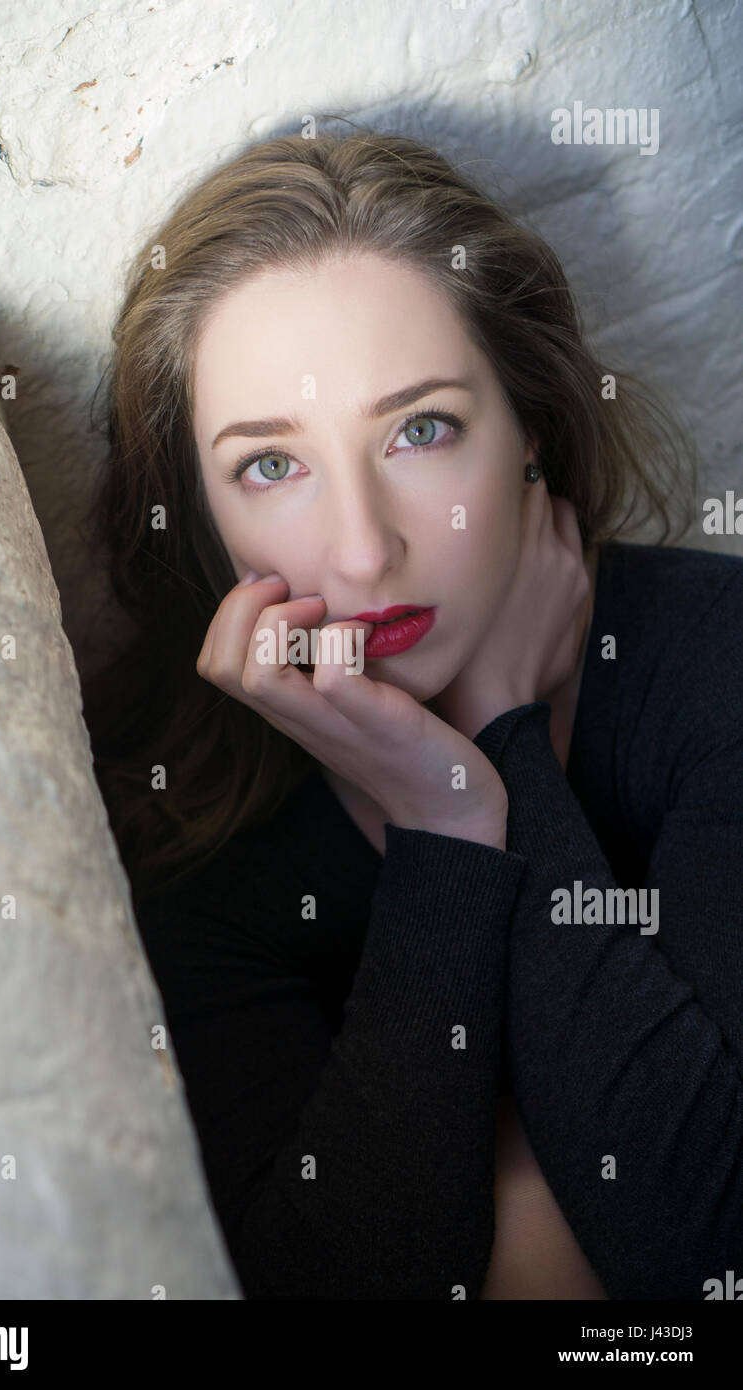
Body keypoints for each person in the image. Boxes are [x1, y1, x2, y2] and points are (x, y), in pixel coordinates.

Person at [80, 129, 743, 1300]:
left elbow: (705, 1248)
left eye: (420, 429)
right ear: (203, 514)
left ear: (529, 428)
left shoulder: (714, 660)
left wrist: (499, 744)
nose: (361, 547)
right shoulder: (182, 822)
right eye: (268, 467)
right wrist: (449, 818)